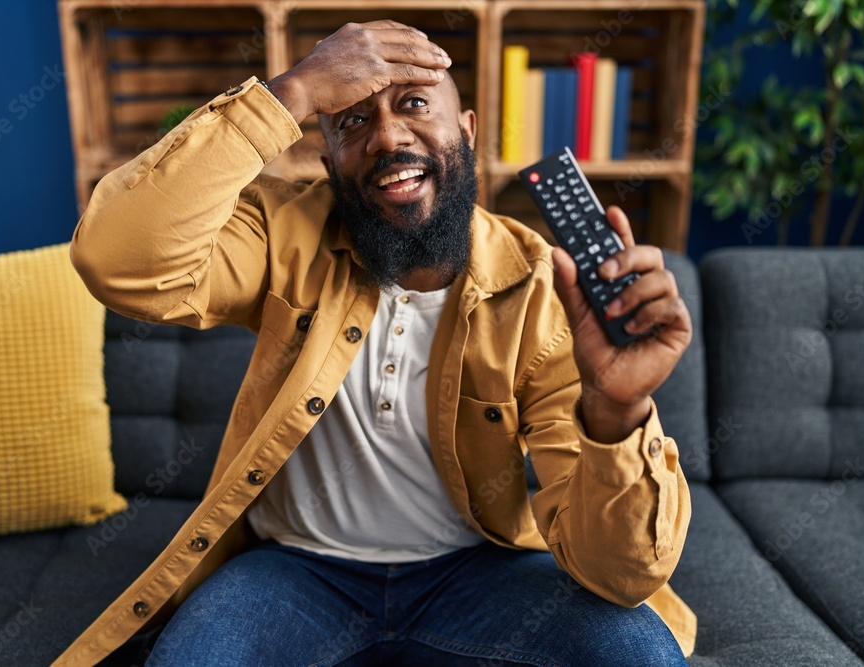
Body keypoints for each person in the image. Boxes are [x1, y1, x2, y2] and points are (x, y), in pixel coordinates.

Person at [62, 20, 696, 667]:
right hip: (295, 573)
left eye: (415, 104)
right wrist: (294, 90)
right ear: (328, 155)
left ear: (468, 132)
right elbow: (117, 257)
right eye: (352, 120)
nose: (388, 137)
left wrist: (617, 414)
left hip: (476, 573)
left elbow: (620, 575)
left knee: (636, 654)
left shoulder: (541, 291)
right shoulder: (284, 230)